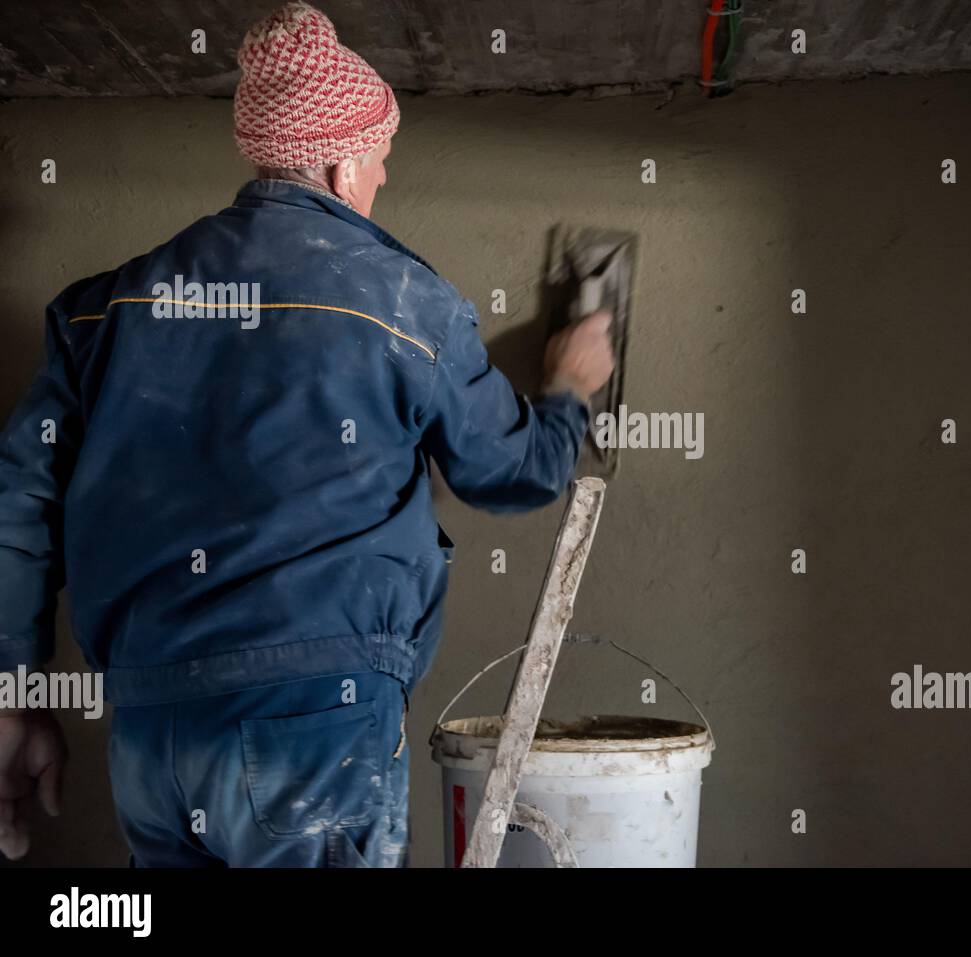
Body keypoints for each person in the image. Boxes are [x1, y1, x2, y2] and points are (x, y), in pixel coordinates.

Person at [0, 0, 613, 866]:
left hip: (149, 730)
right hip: (313, 726)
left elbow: (17, 505)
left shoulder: (105, 310)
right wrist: (568, 390)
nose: (384, 183)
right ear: (339, 164)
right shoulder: (404, 303)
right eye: (383, 161)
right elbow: (511, 472)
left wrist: (13, 695)